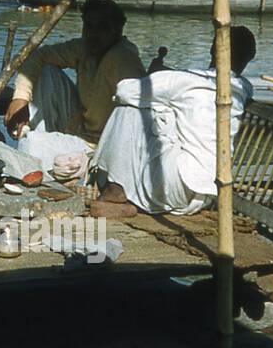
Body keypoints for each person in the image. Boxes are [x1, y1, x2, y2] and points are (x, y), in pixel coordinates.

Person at [90, 27, 257, 219]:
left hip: (174, 184)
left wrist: (153, 78)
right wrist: (166, 79)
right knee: (162, 109)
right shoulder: (243, 87)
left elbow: (124, 91)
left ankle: (116, 187)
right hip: (206, 193)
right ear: (249, 58)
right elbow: (196, 85)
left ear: (212, 49)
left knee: (129, 108)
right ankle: (132, 199)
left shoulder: (183, 81)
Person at [6, 0, 145, 141]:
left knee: (32, 144)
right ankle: (39, 135)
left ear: (118, 29)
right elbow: (39, 55)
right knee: (46, 71)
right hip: (80, 129)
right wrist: (20, 98)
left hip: (101, 144)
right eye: (89, 27)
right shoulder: (84, 48)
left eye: (102, 28)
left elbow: (136, 111)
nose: (94, 34)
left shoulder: (123, 58)